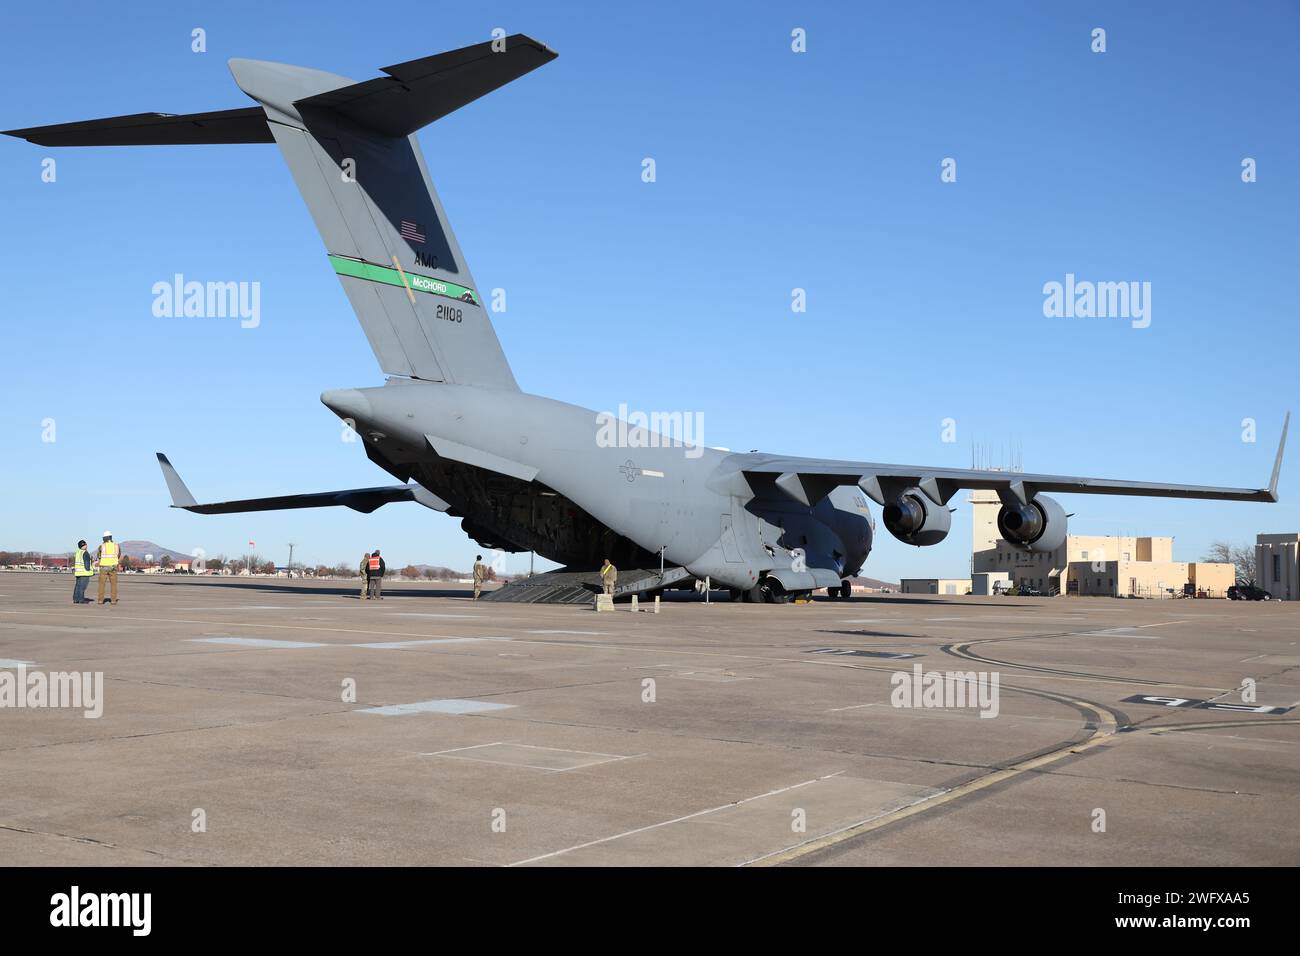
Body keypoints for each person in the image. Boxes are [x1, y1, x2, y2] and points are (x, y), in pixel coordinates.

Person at [96, 531, 121, 605]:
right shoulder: (116, 546)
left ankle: (100, 600)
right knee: (113, 585)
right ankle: (113, 600)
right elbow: (118, 555)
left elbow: (98, 556)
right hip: (113, 567)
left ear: (105, 538)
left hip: (103, 567)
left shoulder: (102, 546)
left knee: (101, 585)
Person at [72, 539, 94, 604]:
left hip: (78, 572)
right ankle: (81, 599)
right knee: (82, 587)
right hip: (84, 572)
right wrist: (89, 570)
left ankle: (75, 599)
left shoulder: (78, 552)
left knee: (77, 586)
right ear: (85, 545)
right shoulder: (85, 552)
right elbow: (87, 563)